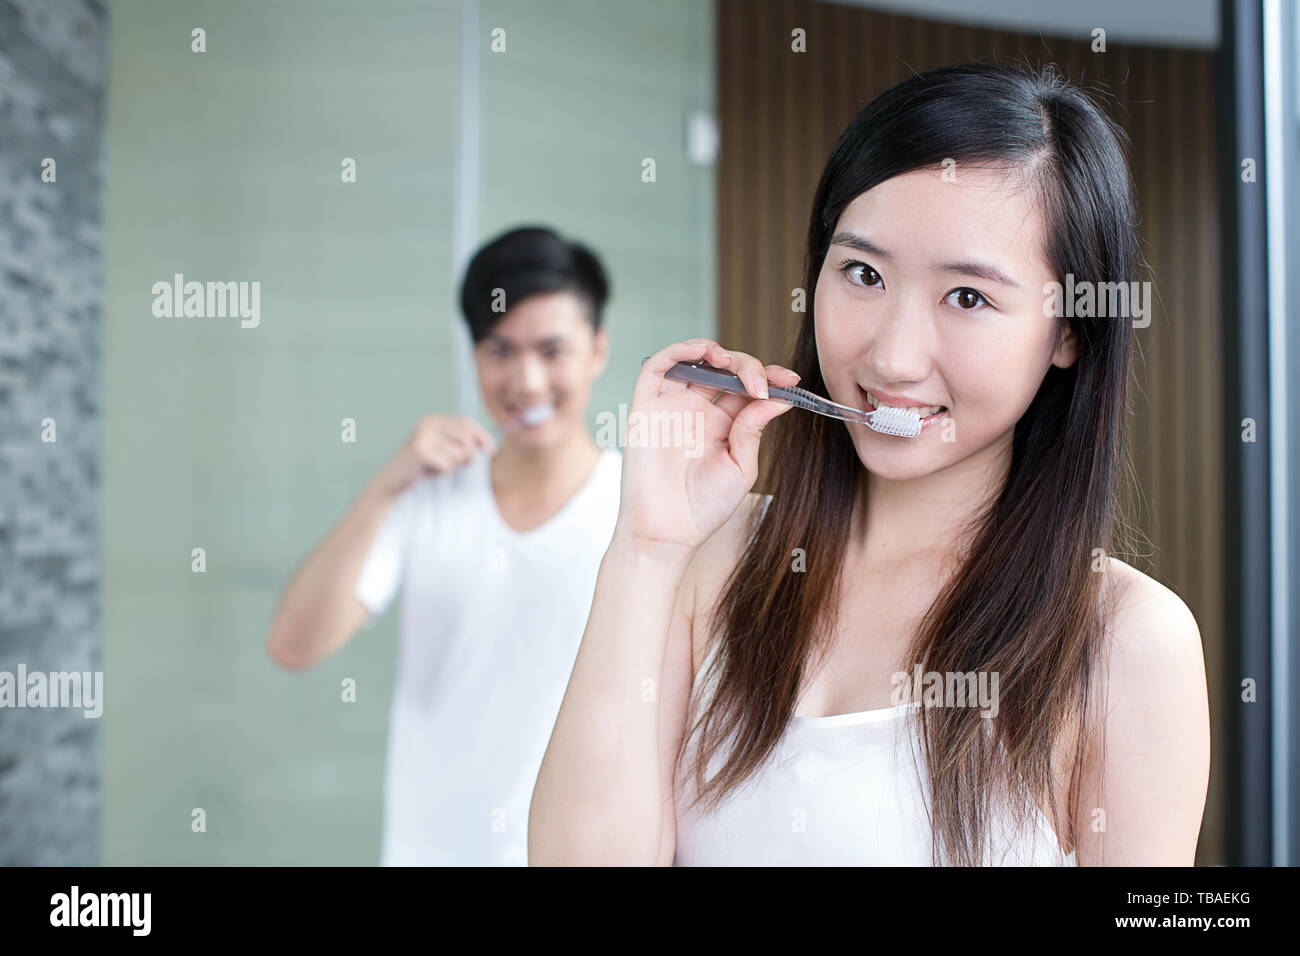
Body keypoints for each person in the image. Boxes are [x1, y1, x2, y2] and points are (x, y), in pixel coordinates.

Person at [529, 62, 1210, 866]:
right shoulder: (709, 558)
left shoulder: (1126, 643)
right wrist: (646, 548)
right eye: (863, 273)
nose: (891, 355)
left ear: (1068, 332)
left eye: (967, 297)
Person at [267, 226, 622, 865]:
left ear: (597, 351)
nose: (526, 380)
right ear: (474, 356)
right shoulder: (429, 496)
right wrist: (383, 488)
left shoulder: (640, 510)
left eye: (551, 350)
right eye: (499, 350)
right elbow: (295, 644)